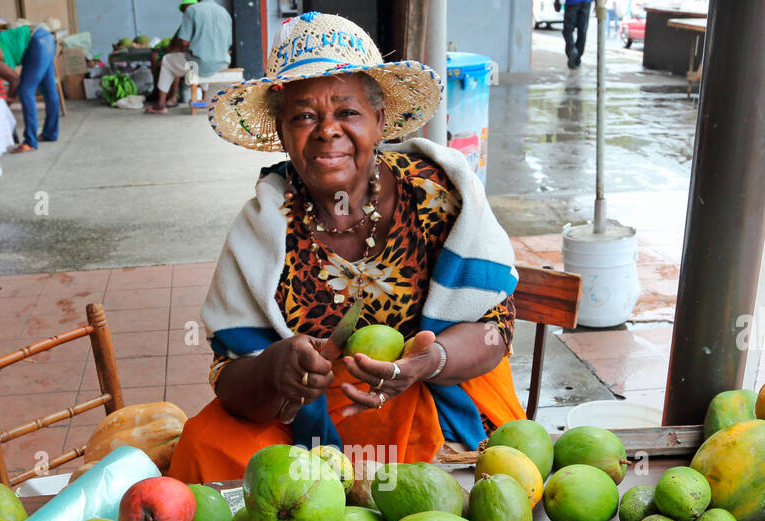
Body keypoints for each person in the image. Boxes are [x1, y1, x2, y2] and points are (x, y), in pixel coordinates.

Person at [168, 12, 526, 485]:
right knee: (207, 445)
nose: (327, 130)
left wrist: (430, 359)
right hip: (310, 420)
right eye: (304, 116)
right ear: (281, 130)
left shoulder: (439, 196)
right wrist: (274, 370)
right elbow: (231, 376)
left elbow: (494, 328)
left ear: (379, 122)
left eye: (347, 111)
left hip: (439, 393)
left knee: (450, 485)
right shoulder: (262, 227)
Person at [0, 23, 58, 152]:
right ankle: (50, 133)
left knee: (25, 91)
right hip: (46, 38)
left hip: (36, 42)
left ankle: (30, 141)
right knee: (49, 90)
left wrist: (9, 100)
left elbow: (14, 79)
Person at [145, 0, 232, 114]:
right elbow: (228, 43)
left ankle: (161, 104)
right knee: (204, 57)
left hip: (200, 63)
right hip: (223, 62)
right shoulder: (224, 12)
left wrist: (187, 48)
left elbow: (184, 42)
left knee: (167, 60)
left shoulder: (193, 10)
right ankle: (204, 97)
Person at [563, 0, 593, 68]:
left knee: (568, 29)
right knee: (582, 31)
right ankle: (577, 58)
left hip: (572, 2)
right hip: (586, 2)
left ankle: (572, 49)